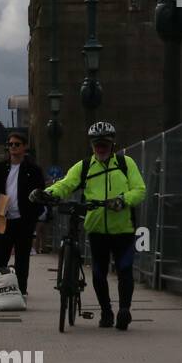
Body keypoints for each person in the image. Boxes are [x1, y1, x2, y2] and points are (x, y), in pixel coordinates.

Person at [39, 122, 146, 329]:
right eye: (97, 143)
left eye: (105, 143)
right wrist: (48, 193)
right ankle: (106, 312)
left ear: (112, 143)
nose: (101, 147)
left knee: (124, 269)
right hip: (96, 229)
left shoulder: (125, 163)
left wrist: (122, 200)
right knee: (98, 273)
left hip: (123, 228)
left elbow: (140, 190)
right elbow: (66, 183)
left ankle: (124, 310)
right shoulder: (85, 166)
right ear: (91, 145)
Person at [0, 130, 44, 309]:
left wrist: (34, 215)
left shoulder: (33, 170)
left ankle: (21, 292)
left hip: (24, 220)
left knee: (22, 259)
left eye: (17, 144)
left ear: (24, 147)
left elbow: (39, 194)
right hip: (3, 219)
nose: (13, 148)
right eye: (10, 145)